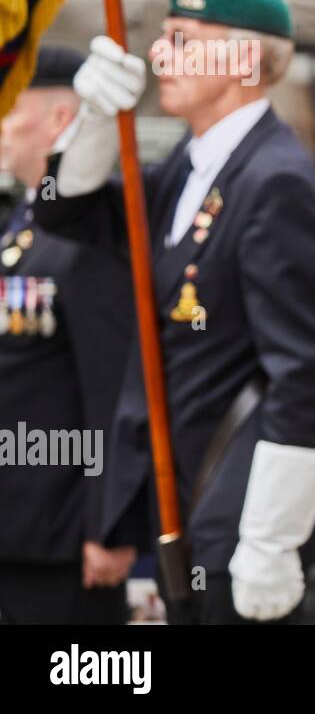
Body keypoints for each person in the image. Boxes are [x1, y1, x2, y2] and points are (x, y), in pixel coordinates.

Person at [34, 0, 315, 624]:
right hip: (190, 495)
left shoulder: (273, 178)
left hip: (239, 503)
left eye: (181, 41)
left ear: (243, 59)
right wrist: (94, 120)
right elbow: (71, 213)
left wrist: (271, 537)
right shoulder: (193, 163)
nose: (159, 57)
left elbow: (306, 375)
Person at [0, 46, 134, 623]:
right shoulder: (23, 220)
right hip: (16, 528)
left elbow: (110, 386)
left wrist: (110, 525)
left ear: (59, 120)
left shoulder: (85, 236)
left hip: (60, 539)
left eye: (9, 110)